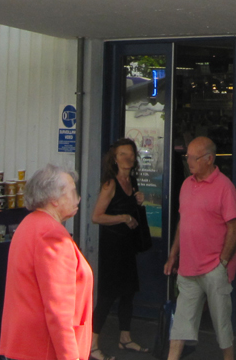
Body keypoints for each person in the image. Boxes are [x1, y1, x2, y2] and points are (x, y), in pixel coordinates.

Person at [1, 164, 93, 360]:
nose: (77, 198)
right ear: (54, 199)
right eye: (72, 192)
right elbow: (59, 308)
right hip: (44, 350)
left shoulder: (30, 223)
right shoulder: (51, 233)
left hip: (29, 346)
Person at [162, 137, 236, 360]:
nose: (188, 162)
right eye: (187, 157)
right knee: (180, 325)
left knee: (221, 324)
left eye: (193, 158)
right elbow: (183, 222)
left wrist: (222, 263)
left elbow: (234, 229)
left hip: (214, 268)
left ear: (209, 159)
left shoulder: (225, 187)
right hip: (188, 268)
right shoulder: (186, 184)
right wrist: (173, 256)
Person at [91, 138, 146, 359]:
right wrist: (123, 217)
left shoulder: (132, 182)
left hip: (127, 247)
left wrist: (138, 201)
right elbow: (96, 217)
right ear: (115, 159)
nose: (128, 158)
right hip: (112, 248)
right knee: (107, 295)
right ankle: (92, 344)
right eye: (123, 154)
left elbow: (132, 212)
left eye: (131, 154)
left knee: (128, 293)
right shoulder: (110, 184)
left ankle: (125, 338)